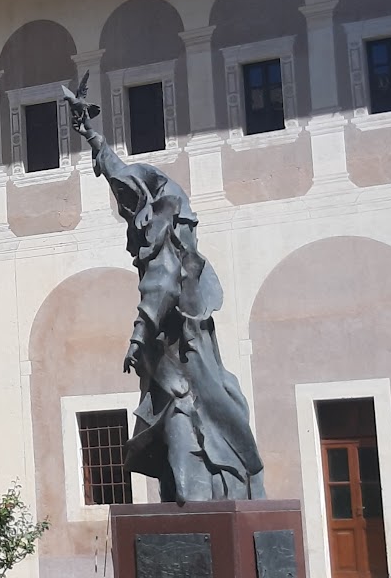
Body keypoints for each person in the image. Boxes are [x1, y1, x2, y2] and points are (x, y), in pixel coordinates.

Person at [63, 74, 265, 503]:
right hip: (176, 363)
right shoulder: (169, 234)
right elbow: (126, 179)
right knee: (194, 427)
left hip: (180, 370)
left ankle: (199, 510)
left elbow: (160, 286)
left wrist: (137, 340)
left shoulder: (171, 247)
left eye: (135, 213)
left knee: (186, 430)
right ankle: (202, 504)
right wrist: (93, 137)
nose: (132, 224)